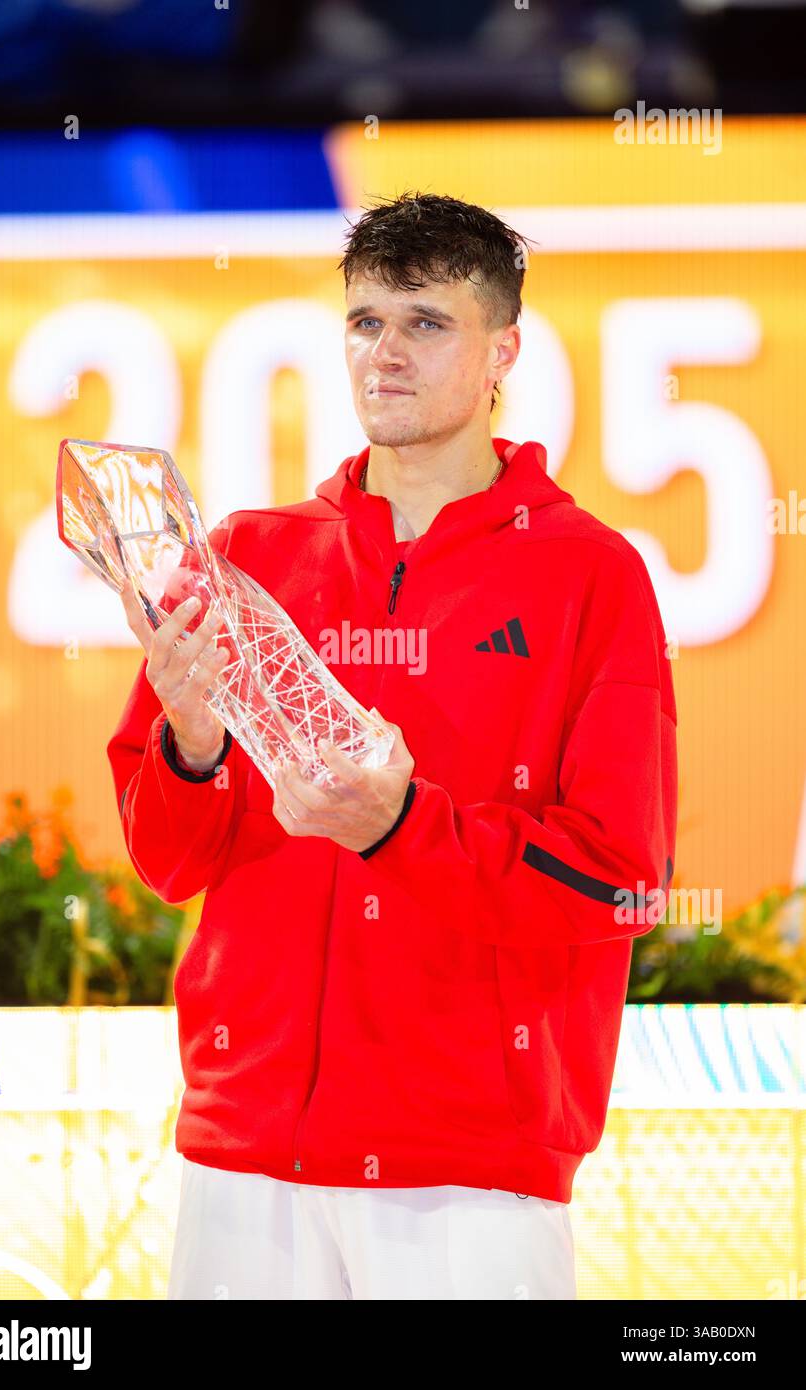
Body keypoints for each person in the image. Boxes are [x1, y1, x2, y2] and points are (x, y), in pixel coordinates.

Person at [107, 190, 677, 1300]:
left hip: (467, 1180)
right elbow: (170, 861)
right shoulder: (244, 555)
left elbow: (617, 883)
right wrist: (186, 746)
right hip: (243, 1159)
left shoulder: (588, 576)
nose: (386, 352)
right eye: (365, 321)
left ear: (501, 349)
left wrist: (403, 831)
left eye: (426, 322)